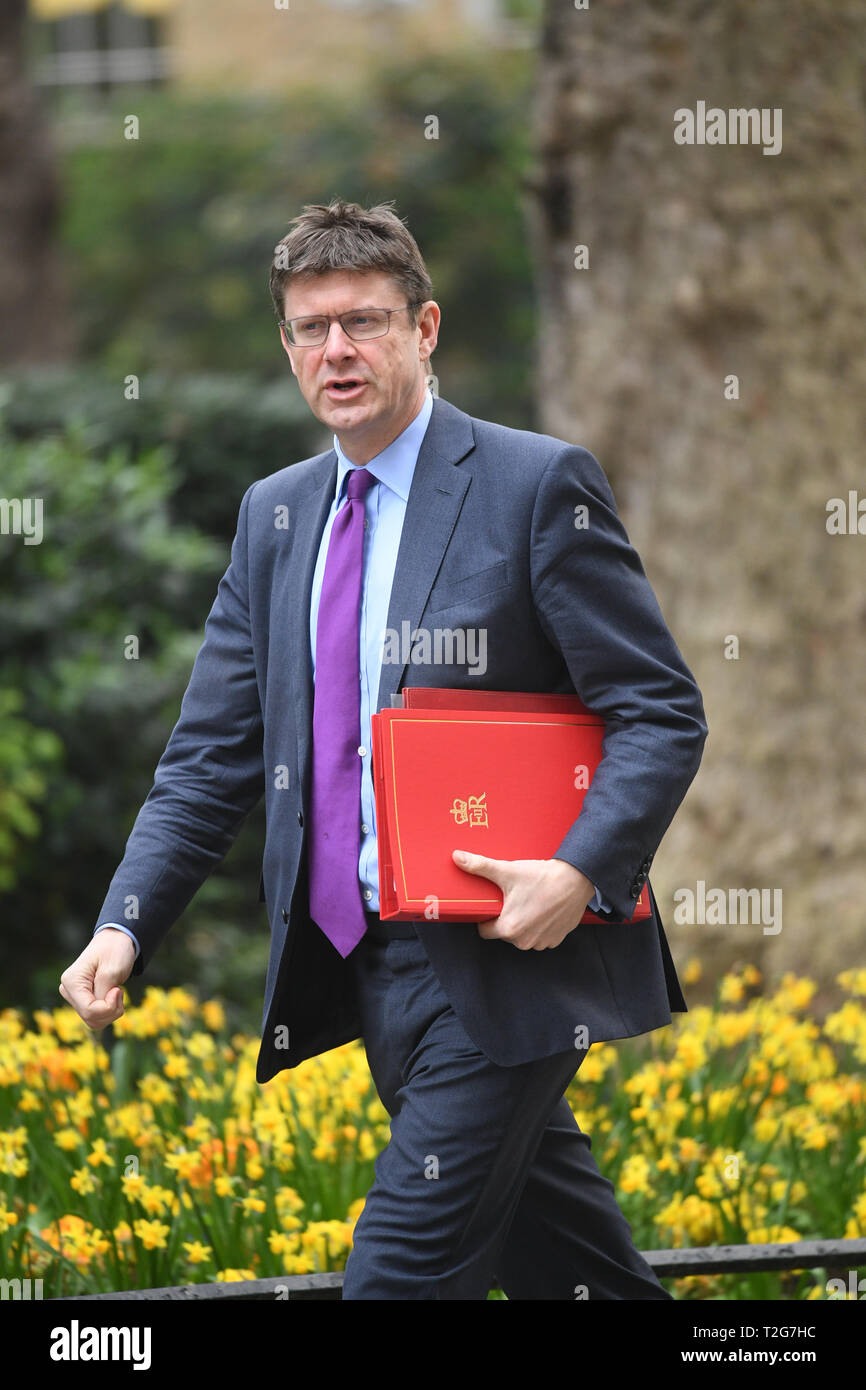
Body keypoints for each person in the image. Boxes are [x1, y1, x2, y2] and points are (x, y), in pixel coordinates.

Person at [60, 198, 708, 1300]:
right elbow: (210, 757)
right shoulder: (274, 516)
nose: (336, 351)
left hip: (511, 958)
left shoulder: (534, 485)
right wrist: (124, 924)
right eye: (310, 329)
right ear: (285, 346)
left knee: (396, 1278)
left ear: (425, 329)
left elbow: (658, 708)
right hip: (361, 970)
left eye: (362, 322)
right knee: (574, 1272)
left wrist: (579, 872)